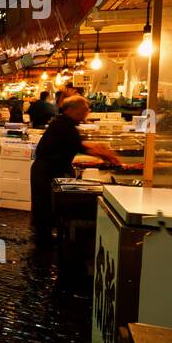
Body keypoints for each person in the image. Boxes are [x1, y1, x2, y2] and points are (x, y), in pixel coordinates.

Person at [30, 96, 120, 246]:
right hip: (46, 170)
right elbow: (80, 146)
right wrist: (106, 156)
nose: (87, 112)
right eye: (84, 110)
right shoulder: (64, 125)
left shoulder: (65, 123)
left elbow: (77, 144)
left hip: (48, 169)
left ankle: (44, 238)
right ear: (73, 109)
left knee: (46, 205)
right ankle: (42, 244)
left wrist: (102, 151)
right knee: (44, 205)